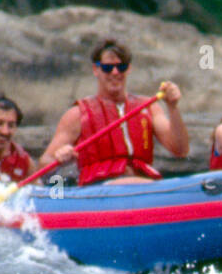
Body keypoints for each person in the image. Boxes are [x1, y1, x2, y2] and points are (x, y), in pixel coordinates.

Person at [40, 39, 189, 184]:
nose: (115, 72)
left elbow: (180, 150)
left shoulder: (149, 107)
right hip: (101, 188)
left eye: (121, 67)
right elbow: (44, 162)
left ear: (129, 69)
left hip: (144, 185)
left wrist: (172, 107)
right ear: (95, 70)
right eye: (107, 68)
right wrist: (60, 158)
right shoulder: (77, 114)